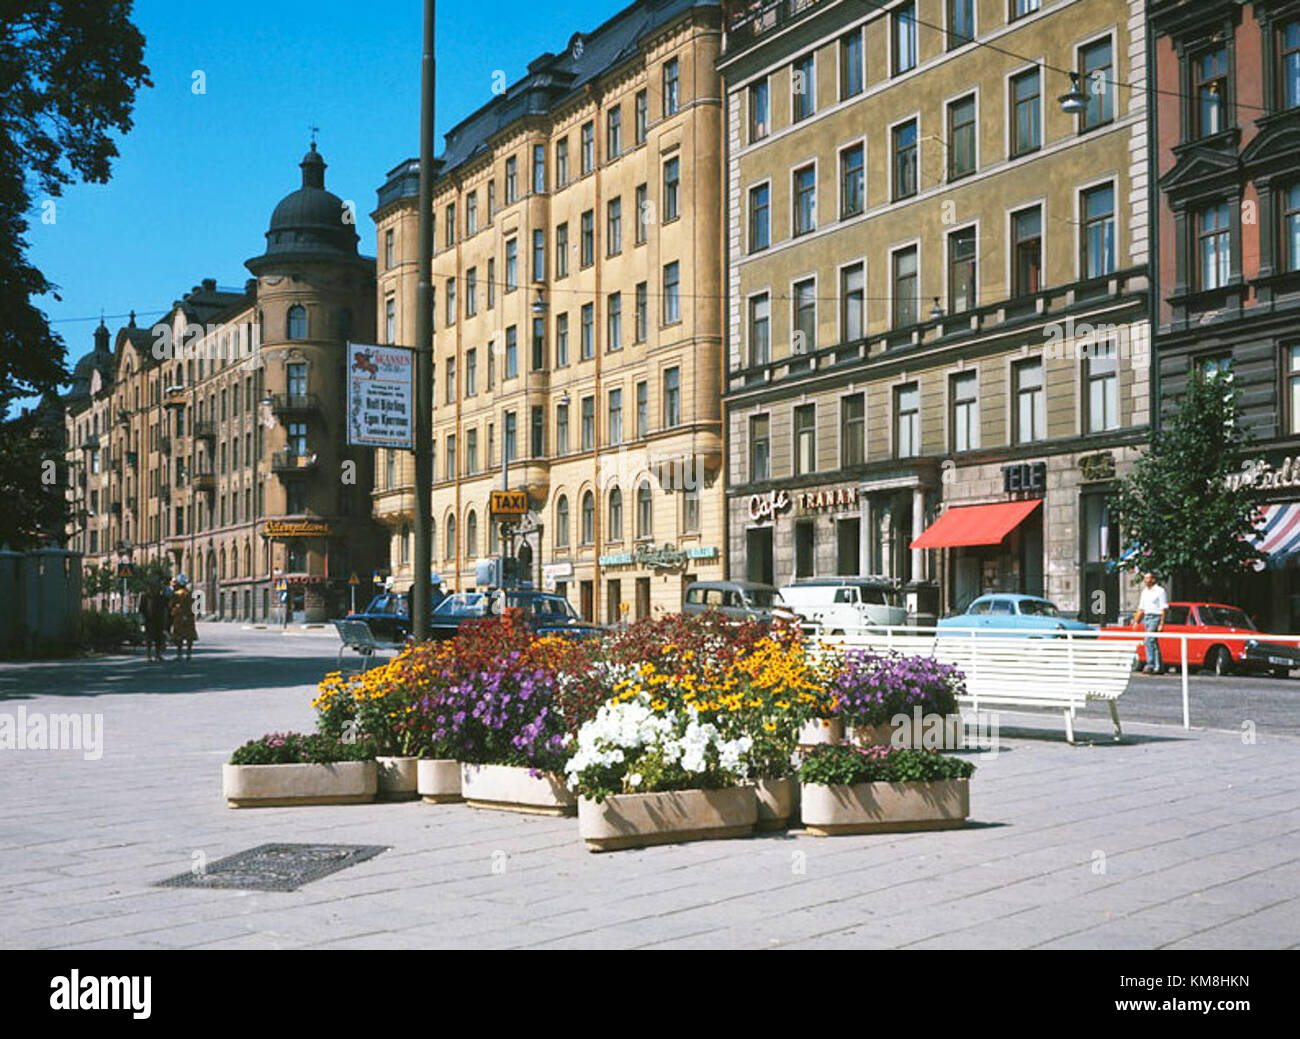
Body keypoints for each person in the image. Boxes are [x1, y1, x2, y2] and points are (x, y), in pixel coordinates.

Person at [1134, 572, 1168, 675]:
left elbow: (1163, 608)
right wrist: (1136, 621)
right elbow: (1141, 608)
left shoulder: (1160, 591)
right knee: (1153, 643)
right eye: (1145, 578)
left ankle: (1150, 665)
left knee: (1148, 640)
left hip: (1155, 617)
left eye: (1148, 578)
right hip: (1147, 618)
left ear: (1153, 579)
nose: (1145, 580)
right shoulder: (1144, 592)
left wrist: (1161, 623)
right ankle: (1159, 667)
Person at [137, 580, 168, 662]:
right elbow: (141, 609)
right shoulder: (145, 597)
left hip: (158, 620)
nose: (154, 589)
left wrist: (165, 621)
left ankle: (158, 655)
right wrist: (142, 620)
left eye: (156, 588)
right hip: (148, 620)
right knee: (149, 639)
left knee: (158, 638)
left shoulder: (161, 597)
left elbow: (165, 609)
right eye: (153, 588)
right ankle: (149, 655)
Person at [170, 575, 198, 661]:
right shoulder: (189, 593)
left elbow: (171, 604)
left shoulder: (177, 594)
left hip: (179, 617)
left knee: (179, 636)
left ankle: (179, 654)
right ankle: (189, 654)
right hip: (189, 616)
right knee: (189, 636)